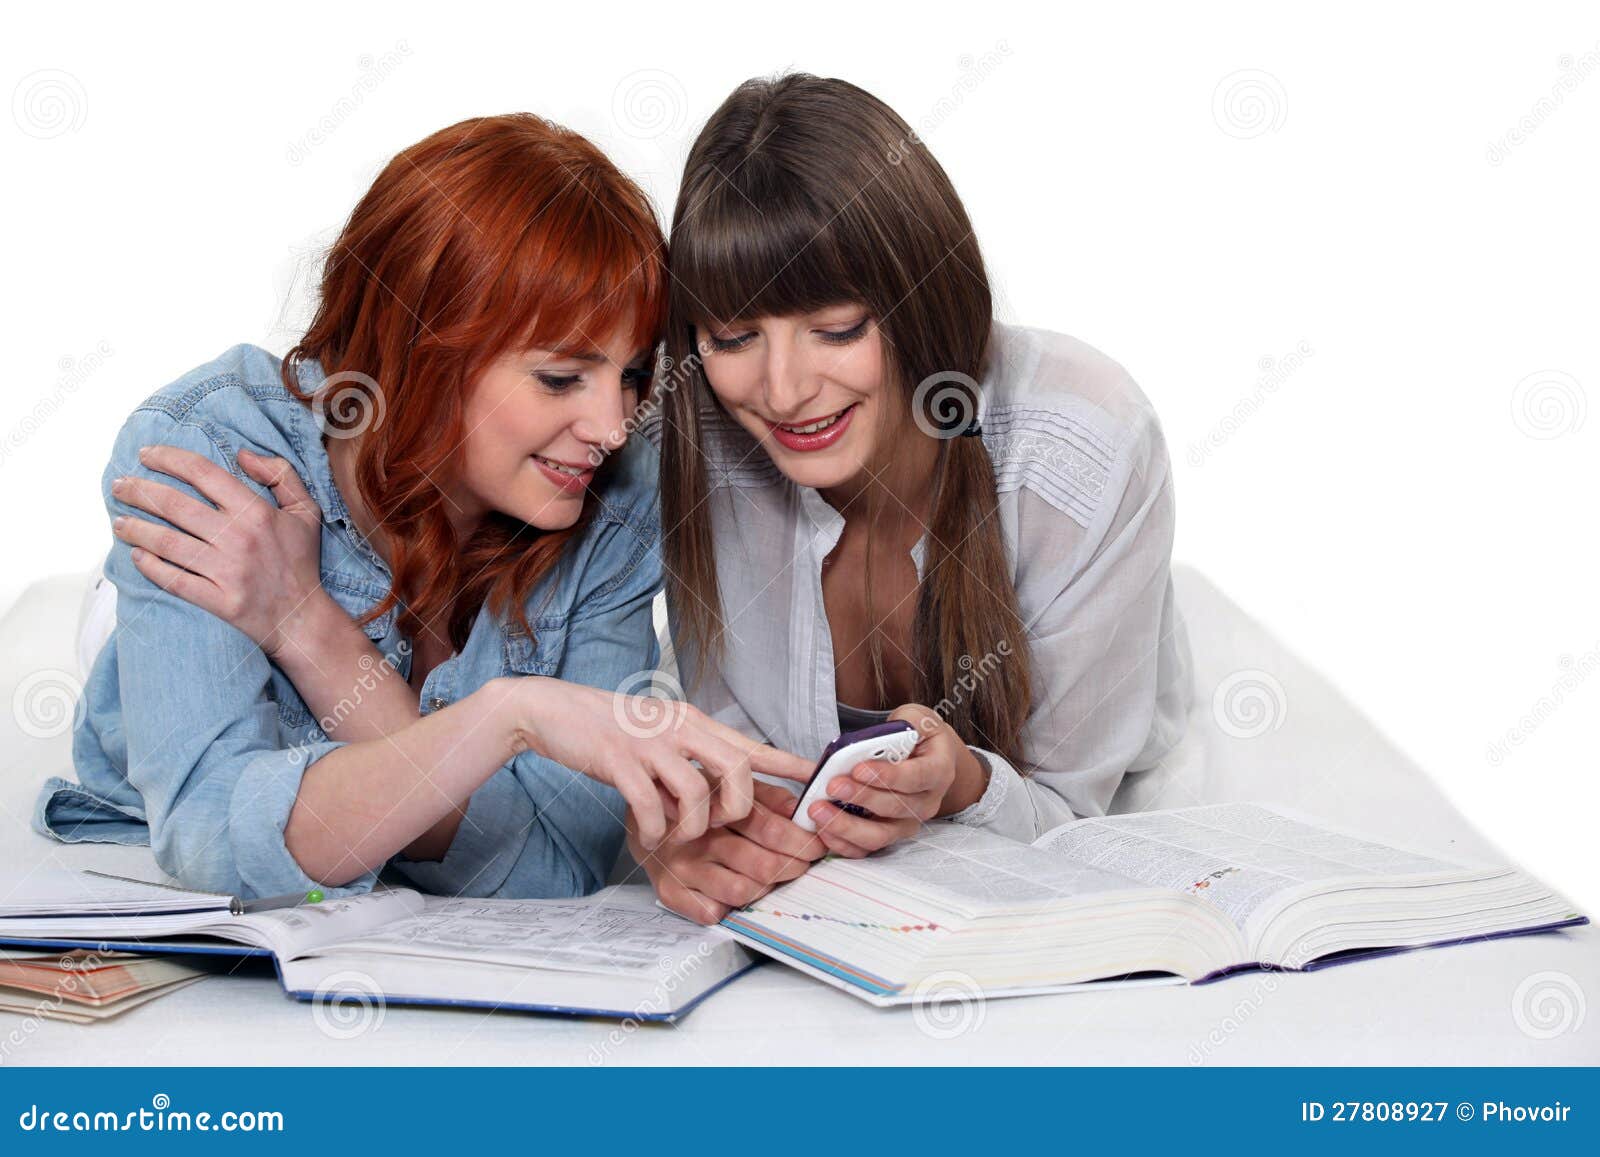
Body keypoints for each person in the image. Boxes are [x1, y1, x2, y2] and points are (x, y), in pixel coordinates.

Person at [34, 114, 806, 903]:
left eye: (634, 373)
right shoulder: (208, 448)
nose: (612, 426)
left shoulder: (621, 493)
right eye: (559, 378)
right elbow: (205, 834)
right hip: (168, 647)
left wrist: (309, 625)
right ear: (422, 349)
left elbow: (549, 871)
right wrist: (500, 732)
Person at [635, 74, 1195, 922]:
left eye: (836, 328)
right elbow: (716, 767)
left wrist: (964, 783)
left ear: (921, 302)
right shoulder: (694, 432)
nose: (783, 392)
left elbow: (1075, 816)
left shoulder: (1083, 441)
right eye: (735, 337)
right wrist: (679, 842)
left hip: (1123, 842)